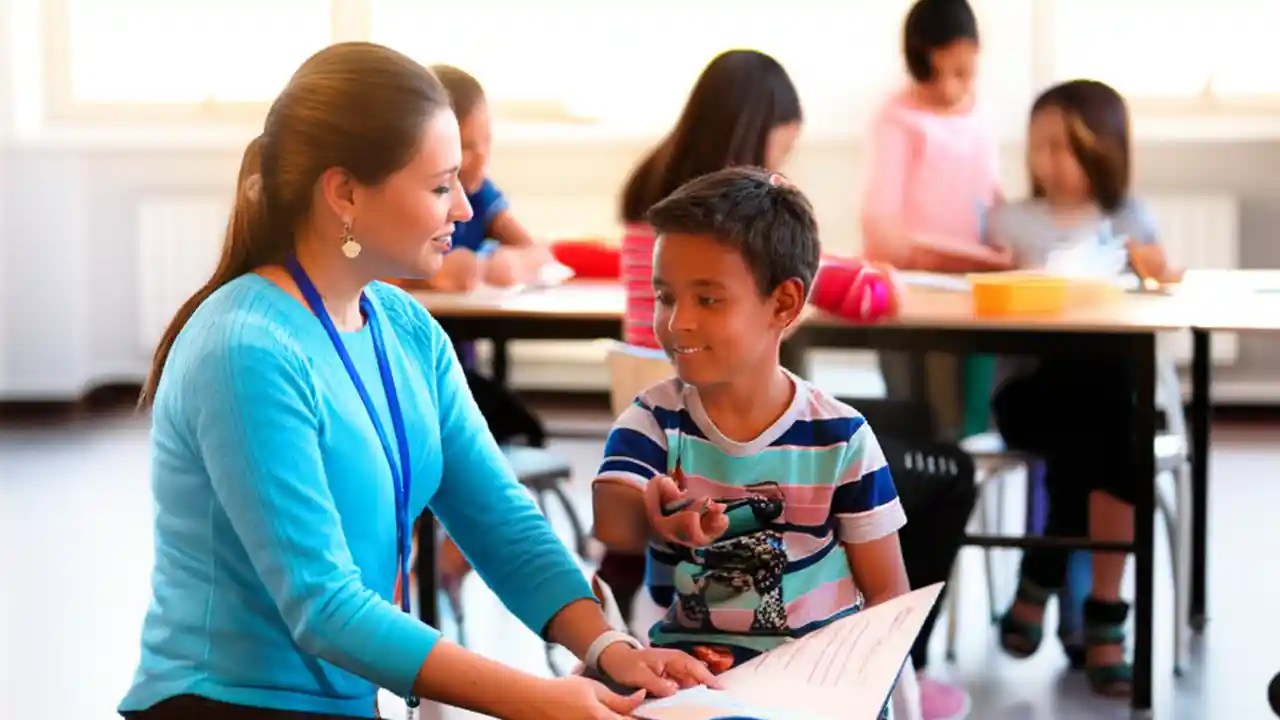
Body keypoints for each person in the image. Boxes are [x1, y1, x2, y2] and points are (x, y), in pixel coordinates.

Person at [120, 42, 714, 720]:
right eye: (439, 185)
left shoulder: (404, 327)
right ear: (344, 192)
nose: (464, 210)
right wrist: (540, 701)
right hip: (220, 705)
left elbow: (499, 519)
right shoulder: (244, 349)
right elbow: (323, 606)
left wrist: (612, 647)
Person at [592, 168, 911, 719]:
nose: (677, 322)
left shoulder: (841, 438)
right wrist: (657, 515)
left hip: (811, 680)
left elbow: (887, 596)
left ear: (784, 304)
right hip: (689, 676)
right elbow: (613, 524)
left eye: (708, 300)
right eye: (666, 297)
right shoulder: (654, 419)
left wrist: (860, 689)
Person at [988, 79, 1181, 698]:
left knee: (1108, 420)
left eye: (1066, 147)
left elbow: (1159, 293)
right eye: (1040, 146)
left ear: (1103, 151)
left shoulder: (1130, 220)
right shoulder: (1008, 220)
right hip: (1028, 396)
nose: (1050, 162)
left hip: (1105, 411)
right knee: (1112, 421)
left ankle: (1042, 580)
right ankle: (1104, 622)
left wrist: (1158, 274)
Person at [598, 48, 803, 626]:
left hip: (639, 397)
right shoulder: (730, 221)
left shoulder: (651, 183)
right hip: (706, 400)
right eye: (781, 148)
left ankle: (617, 608)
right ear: (758, 133)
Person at [861, 0, 1010, 447]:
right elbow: (883, 231)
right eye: (936, 73)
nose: (950, 88)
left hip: (974, 296)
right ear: (917, 62)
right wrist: (976, 260)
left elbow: (991, 192)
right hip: (912, 295)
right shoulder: (897, 120)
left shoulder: (981, 116)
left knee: (970, 419)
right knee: (921, 420)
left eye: (963, 73)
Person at [400, 64, 551, 293]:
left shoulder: (480, 195)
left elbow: (538, 253)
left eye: (487, 141)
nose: (482, 157)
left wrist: (494, 266)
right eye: (466, 145)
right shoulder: (409, 199)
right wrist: (429, 276)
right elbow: (378, 266)